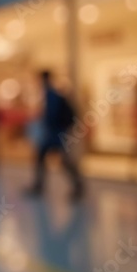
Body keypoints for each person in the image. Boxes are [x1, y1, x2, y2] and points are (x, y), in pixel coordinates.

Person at [26, 70, 84, 200]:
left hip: (54, 134)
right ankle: (40, 186)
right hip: (55, 133)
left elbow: (51, 116)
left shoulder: (50, 94)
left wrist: (45, 127)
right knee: (45, 159)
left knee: (61, 160)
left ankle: (78, 186)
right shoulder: (52, 93)